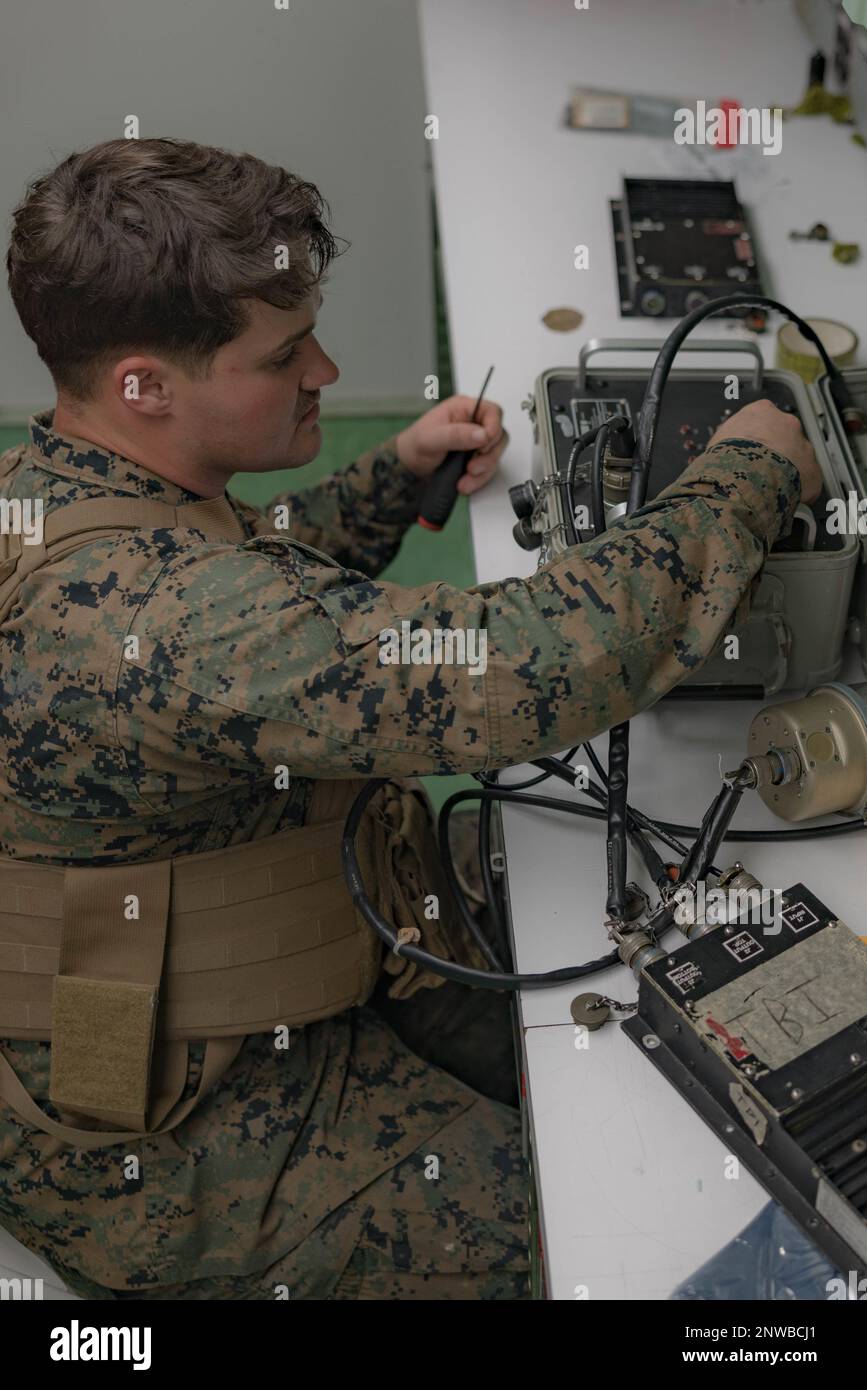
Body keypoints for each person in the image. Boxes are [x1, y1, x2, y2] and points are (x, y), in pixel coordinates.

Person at [0, 137, 820, 1301]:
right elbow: (533, 664)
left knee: (623, 1040)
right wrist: (745, 470)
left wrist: (388, 477)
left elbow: (244, 578)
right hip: (169, 1125)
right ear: (143, 383)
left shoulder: (51, 492)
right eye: (286, 355)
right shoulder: (171, 620)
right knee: (616, 1215)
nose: (326, 370)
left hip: (211, 949)